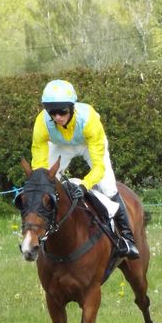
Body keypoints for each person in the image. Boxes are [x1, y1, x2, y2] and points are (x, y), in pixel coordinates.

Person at [30, 79, 139, 259]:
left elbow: (99, 167)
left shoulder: (89, 120)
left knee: (109, 188)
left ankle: (128, 239)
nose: (57, 117)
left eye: (62, 111)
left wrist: (84, 185)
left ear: (72, 107)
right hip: (61, 145)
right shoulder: (42, 123)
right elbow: (39, 166)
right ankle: (39, 234)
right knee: (43, 186)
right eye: (52, 112)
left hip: (89, 144)